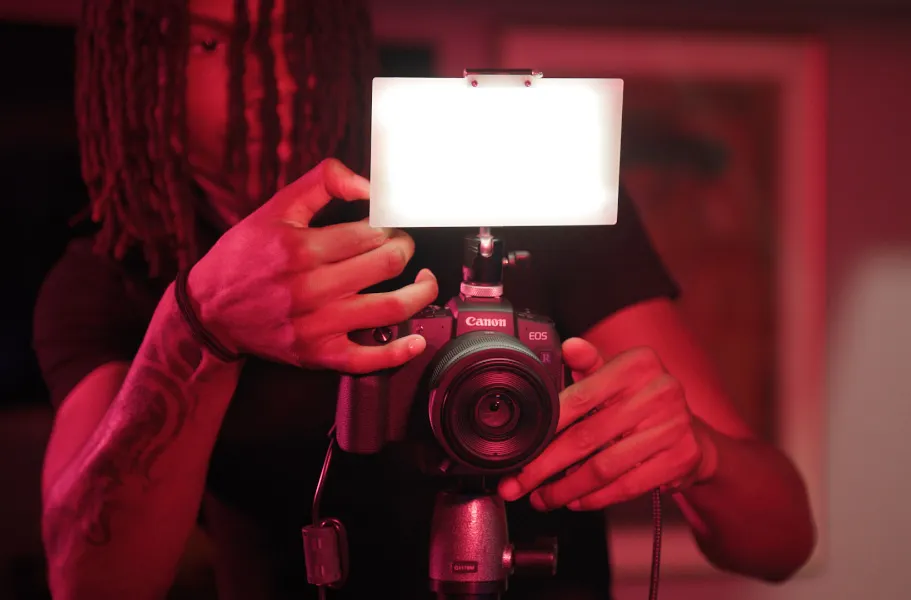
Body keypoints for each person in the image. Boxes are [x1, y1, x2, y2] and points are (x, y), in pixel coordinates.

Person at [33, 0, 817, 598]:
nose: (269, 75)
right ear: (135, 66)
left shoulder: (512, 199)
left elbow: (780, 541)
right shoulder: (115, 279)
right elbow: (86, 582)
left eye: (293, 37)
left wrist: (700, 457)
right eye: (209, 43)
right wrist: (195, 326)